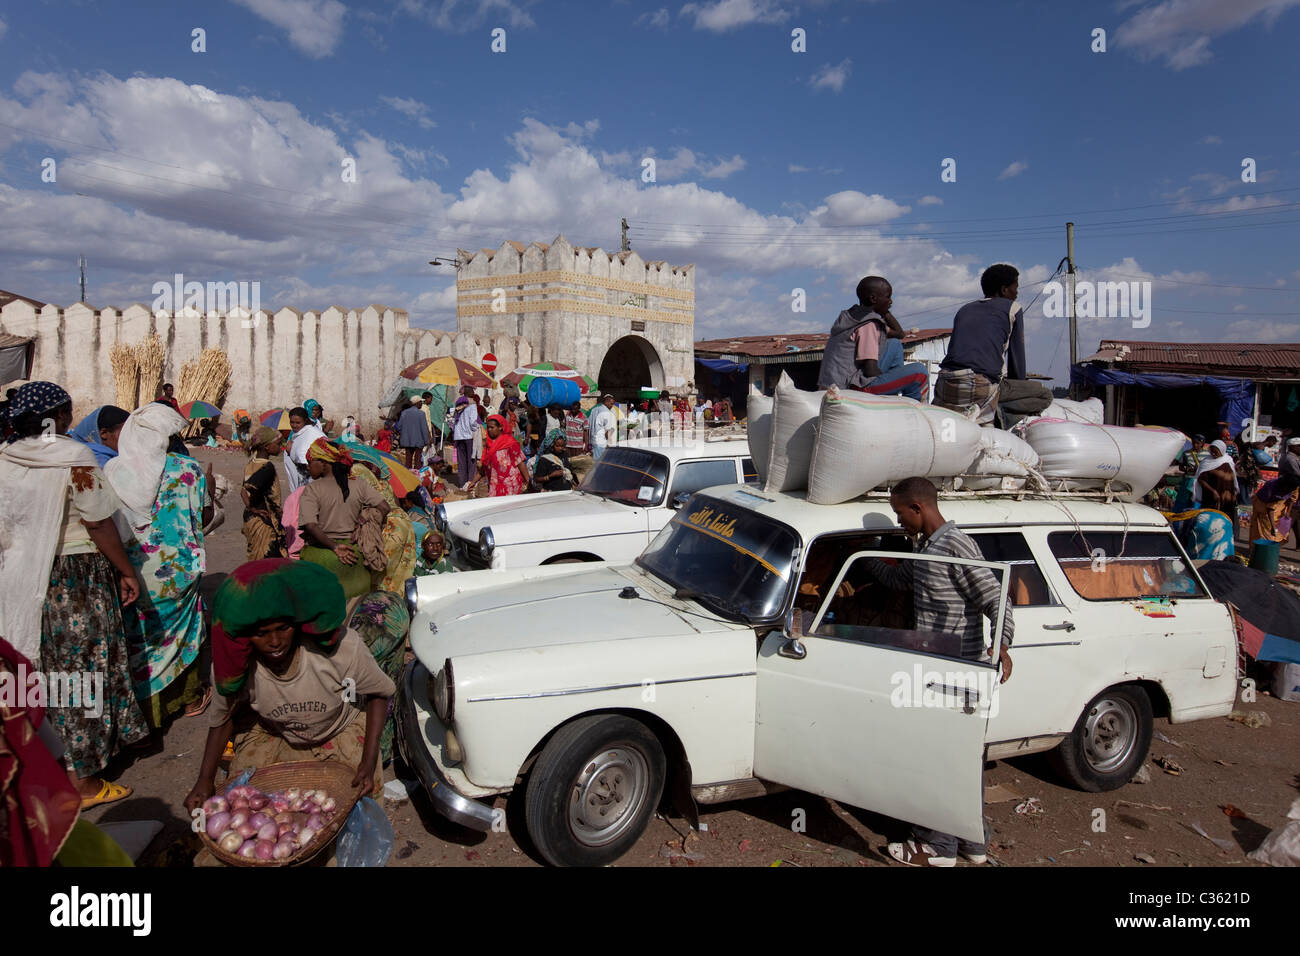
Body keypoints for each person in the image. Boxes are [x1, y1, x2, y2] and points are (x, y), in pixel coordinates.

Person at [0, 382, 149, 808]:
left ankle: (39, 769)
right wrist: (126, 571)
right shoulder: (75, 458)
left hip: (21, 581)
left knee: (39, 673)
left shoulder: (6, 458)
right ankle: (82, 781)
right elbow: (99, 521)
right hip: (74, 580)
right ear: (60, 417)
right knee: (81, 675)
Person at [859, 477, 1012, 867]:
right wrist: (861, 555)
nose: (899, 523)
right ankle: (972, 842)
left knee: (935, 756)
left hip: (956, 668)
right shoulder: (925, 547)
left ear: (918, 508)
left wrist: (1003, 644)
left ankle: (937, 848)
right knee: (960, 757)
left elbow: (996, 598)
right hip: (932, 663)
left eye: (900, 514)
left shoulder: (955, 545)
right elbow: (900, 579)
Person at [184, 559, 395, 818]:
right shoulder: (236, 667)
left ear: (297, 623)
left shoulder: (340, 649)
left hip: (339, 728)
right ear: (245, 635)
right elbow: (223, 718)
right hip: (276, 731)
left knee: (353, 802)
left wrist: (369, 758)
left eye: (283, 628)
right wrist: (204, 779)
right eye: (262, 633)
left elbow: (378, 694)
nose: (274, 642)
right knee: (251, 807)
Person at [106, 402, 212, 726]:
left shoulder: (112, 471)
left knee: (143, 641)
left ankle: (147, 714)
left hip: (133, 573)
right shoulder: (188, 469)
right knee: (182, 637)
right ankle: (191, 698)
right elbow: (205, 515)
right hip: (178, 573)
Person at [298, 439, 391, 605]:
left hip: (322, 556)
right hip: (355, 555)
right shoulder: (359, 484)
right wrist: (362, 522)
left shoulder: (312, 489)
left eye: (310, 462)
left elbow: (311, 525)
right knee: (354, 611)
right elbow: (384, 507)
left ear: (325, 463)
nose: (308, 467)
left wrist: (335, 547)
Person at [934, 264, 1028, 425]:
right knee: (1043, 395)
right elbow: (1017, 364)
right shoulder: (1013, 308)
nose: (1017, 294)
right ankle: (1006, 426)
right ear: (1004, 290)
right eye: (1016, 288)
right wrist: (1018, 388)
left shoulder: (965, 309)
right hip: (979, 385)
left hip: (945, 383)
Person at [817, 276, 929, 402]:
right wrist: (888, 378)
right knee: (920, 371)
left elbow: (899, 334)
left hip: (836, 381)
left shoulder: (853, 316)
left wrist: (885, 312)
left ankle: (894, 397)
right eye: (888, 297)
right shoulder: (869, 325)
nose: (891, 301)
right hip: (850, 387)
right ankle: (913, 408)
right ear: (873, 298)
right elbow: (871, 370)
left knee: (894, 343)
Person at [350, 459, 418, 592]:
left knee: (381, 577)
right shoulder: (383, 485)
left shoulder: (357, 477)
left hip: (389, 529)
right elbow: (395, 504)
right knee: (399, 573)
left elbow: (381, 508)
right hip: (402, 523)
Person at [240, 425, 286, 560]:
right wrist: (254, 507)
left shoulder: (252, 463)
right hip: (264, 519)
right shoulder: (267, 466)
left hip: (251, 518)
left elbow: (243, 490)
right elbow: (252, 487)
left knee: (255, 557)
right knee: (267, 561)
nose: (280, 447)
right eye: (278, 444)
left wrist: (249, 507)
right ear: (267, 447)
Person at [467, 414, 534, 498]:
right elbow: (484, 467)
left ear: (500, 428)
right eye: (488, 428)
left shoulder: (510, 443)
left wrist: (528, 481)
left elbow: (520, 462)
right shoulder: (489, 445)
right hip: (494, 485)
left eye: (492, 427)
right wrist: (473, 482)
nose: (489, 430)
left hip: (510, 485)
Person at [1250, 437, 1300, 544]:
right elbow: (1270, 509)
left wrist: (1288, 512)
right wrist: (1273, 527)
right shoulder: (1277, 488)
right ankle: (1261, 550)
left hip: (1275, 505)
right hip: (1262, 504)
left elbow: (1292, 499)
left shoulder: (1290, 486)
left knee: (1278, 529)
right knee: (1266, 528)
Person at [1194, 439, 1238, 534]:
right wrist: (1213, 491)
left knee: (1226, 519)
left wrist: (1234, 493)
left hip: (1227, 498)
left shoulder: (1228, 461)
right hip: (1211, 498)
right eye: (1212, 451)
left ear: (1222, 450)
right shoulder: (1206, 462)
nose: (1213, 453)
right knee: (1211, 521)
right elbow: (1201, 479)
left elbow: (1233, 480)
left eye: (1216, 451)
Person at [284, 406, 324, 495]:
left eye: (298, 422)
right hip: (302, 481)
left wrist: (290, 452)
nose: (294, 425)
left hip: (312, 482)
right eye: (292, 422)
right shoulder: (298, 434)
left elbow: (305, 461)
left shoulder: (312, 434)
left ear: (305, 421)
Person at [397, 396, 431, 471]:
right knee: (417, 461)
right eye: (420, 402)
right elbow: (424, 429)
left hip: (407, 441)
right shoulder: (421, 414)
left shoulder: (404, 412)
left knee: (408, 460)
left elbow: (399, 427)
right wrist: (427, 441)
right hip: (419, 441)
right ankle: (417, 476)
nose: (421, 404)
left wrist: (405, 435)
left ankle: (408, 476)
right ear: (417, 403)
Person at [589, 394, 617, 460]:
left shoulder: (594, 410)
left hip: (593, 441)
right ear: (606, 402)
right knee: (599, 465)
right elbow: (607, 433)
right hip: (601, 443)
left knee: (593, 463)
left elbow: (589, 425)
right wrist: (610, 444)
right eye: (611, 404)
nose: (612, 406)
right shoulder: (607, 413)